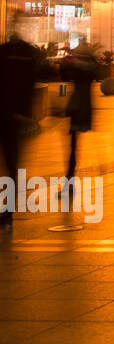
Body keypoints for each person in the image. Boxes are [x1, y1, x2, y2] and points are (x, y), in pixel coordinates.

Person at [0, 24, 40, 231]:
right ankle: (7, 212)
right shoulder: (26, 55)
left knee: (10, 165)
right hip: (14, 116)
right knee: (11, 165)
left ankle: (7, 211)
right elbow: (31, 84)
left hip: (9, 116)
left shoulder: (7, 52)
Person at [63, 43, 97, 180]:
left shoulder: (80, 67)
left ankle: (70, 175)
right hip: (84, 106)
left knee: (73, 145)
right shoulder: (91, 66)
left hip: (78, 106)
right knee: (73, 144)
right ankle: (70, 174)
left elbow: (65, 74)